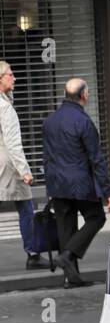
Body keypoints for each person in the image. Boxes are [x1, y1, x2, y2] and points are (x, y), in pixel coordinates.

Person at [42, 78, 110, 288]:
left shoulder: (50, 121)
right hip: (81, 184)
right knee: (96, 217)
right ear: (83, 95)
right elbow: (96, 158)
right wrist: (108, 191)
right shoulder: (84, 122)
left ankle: (70, 278)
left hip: (58, 185)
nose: (89, 95)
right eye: (88, 92)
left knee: (66, 227)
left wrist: (49, 187)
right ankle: (67, 255)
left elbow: (46, 157)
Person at [0, 61, 39, 269]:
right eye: (10, 75)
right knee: (26, 207)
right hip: (9, 167)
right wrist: (25, 171)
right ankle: (32, 254)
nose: (14, 78)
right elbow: (13, 144)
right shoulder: (5, 108)